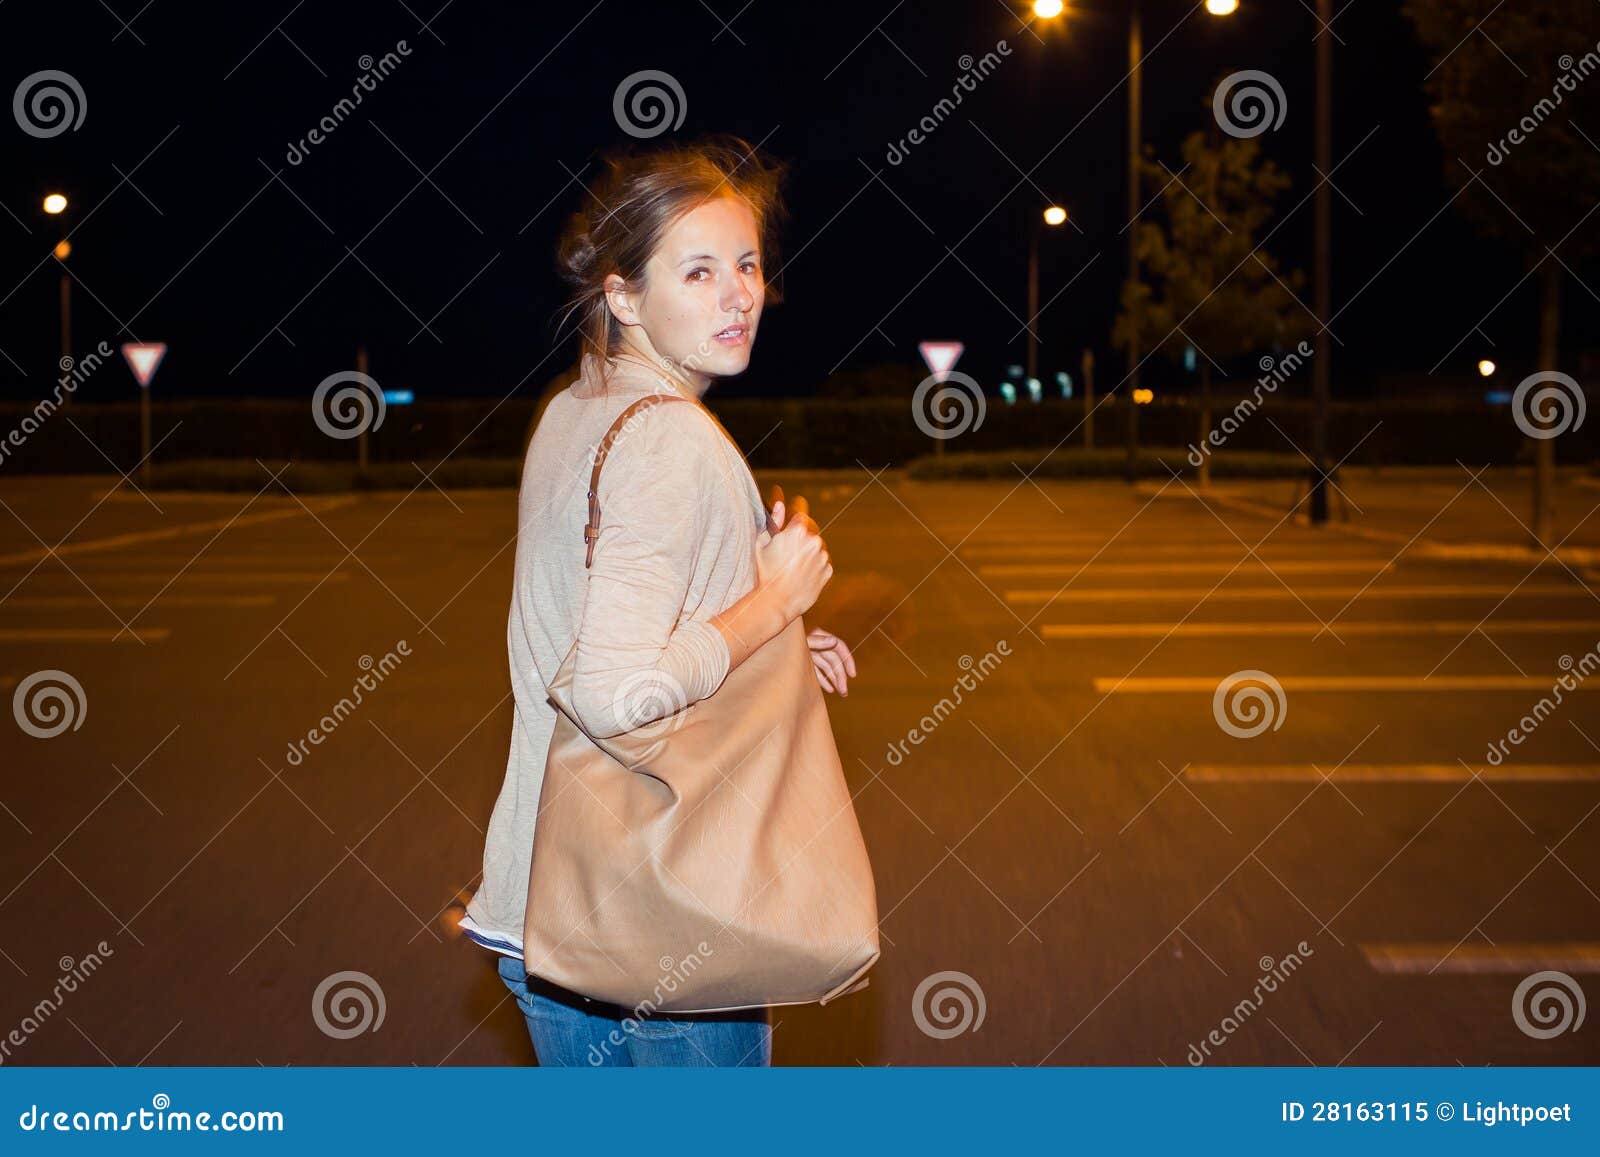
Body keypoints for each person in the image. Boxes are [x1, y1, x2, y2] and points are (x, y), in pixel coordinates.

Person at [458, 135, 859, 1066]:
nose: (739, 294)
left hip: (544, 903)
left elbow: (607, 616)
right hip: (664, 923)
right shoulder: (671, 440)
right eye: (700, 270)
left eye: (750, 264)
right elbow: (610, 691)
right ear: (623, 294)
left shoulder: (576, 409)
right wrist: (770, 602)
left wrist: (779, 643)